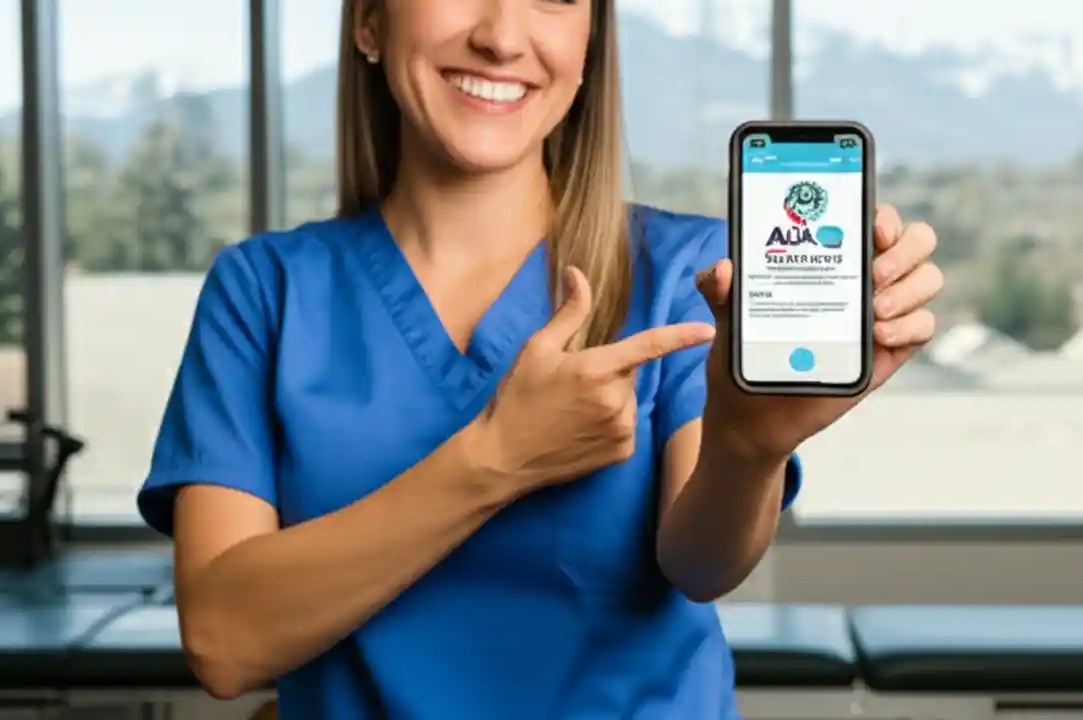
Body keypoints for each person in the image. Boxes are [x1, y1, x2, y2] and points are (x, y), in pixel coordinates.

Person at [137, 0, 944, 717]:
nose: (501, 36)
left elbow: (700, 563)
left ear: (590, 41)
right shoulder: (264, 292)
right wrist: (499, 457)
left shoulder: (687, 270)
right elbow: (225, 642)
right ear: (369, 22)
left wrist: (749, 445)